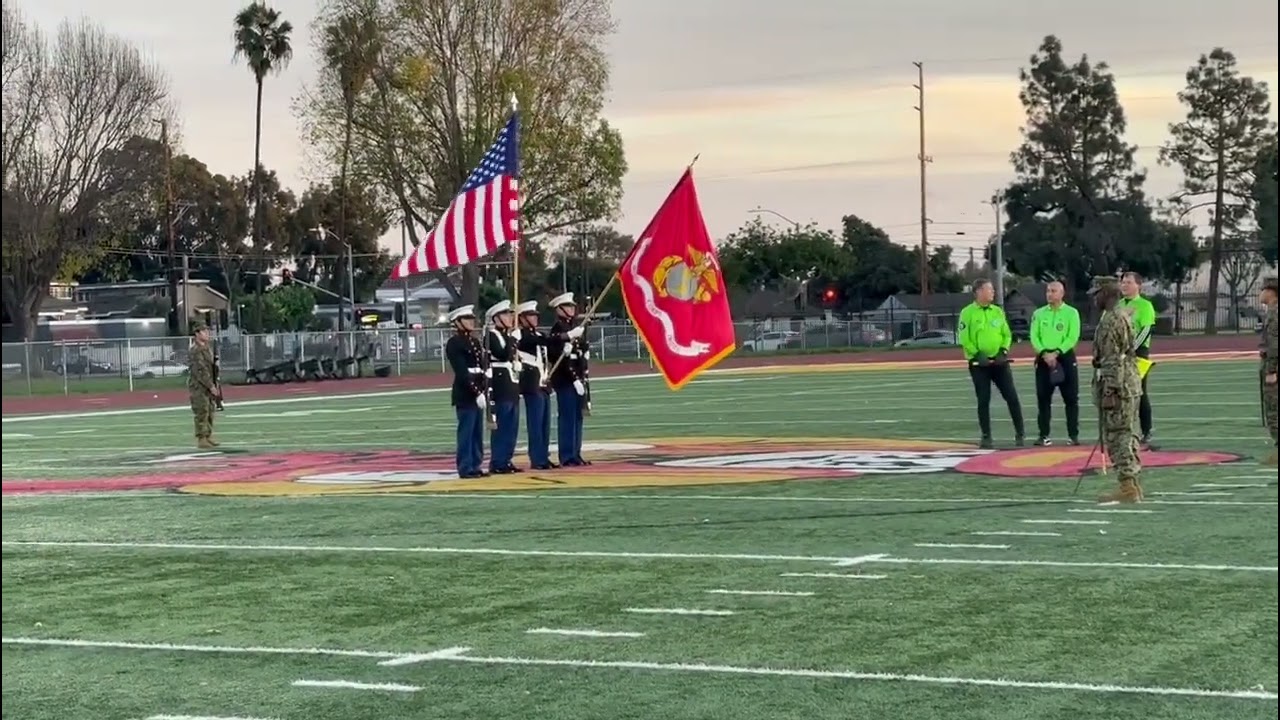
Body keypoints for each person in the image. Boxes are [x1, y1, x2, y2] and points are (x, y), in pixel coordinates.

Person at [1090, 276, 1143, 503]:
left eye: (1096, 293)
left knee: (1117, 435)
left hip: (1119, 385)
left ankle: (1127, 485)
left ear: (1106, 294)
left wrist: (1109, 390)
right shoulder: (1122, 315)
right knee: (1128, 433)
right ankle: (1132, 483)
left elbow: (1111, 358)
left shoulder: (1111, 320)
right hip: (1130, 381)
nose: (1093, 298)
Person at [958, 279, 1025, 448]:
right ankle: (986, 436)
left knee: (1011, 396)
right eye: (990, 289)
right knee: (983, 399)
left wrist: (1003, 351)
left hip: (1000, 362)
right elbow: (965, 338)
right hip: (979, 365)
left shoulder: (998, 311)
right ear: (979, 291)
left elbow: (1006, 334)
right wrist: (977, 354)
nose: (993, 292)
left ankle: (1020, 433)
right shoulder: (967, 313)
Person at [1029, 280, 1082, 446]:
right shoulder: (1038, 314)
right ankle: (1043, 435)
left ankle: (1073, 436)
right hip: (1043, 359)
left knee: (1071, 398)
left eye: (1053, 291)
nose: (1049, 294)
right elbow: (1034, 336)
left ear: (1062, 293)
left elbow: (1072, 336)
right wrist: (1044, 353)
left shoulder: (1071, 313)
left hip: (1065, 358)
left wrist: (1057, 352)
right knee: (1043, 399)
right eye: (1048, 291)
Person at [546, 292, 590, 466]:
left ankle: (575, 453)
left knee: (577, 417)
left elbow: (578, 353)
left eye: (572, 306)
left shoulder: (573, 327)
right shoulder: (559, 329)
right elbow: (559, 357)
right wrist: (573, 379)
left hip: (577, 378)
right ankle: (567, 455)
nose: (572, 309)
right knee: (567, 418)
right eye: (568, 306)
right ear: (560, 309)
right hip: (565, 380)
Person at [444, 305, 487, 478]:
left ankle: (476, 464)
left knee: (477, 432)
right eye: (467, 319)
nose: (471, 321)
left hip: (478, 391)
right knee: (466, 432)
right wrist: (477, 392)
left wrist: (484, 386)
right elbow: (462, 371)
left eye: (471, 318)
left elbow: (479, 366)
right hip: (466, 392)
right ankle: (465, 466)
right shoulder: (454, 343)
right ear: (458, 322)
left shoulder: (474, 342)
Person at [515, 300, 556, 470]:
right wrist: (565, 336)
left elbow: (546, 345)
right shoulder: (521, 336)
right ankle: (537, 458)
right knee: (535, 425)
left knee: (545, 424)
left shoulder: (537, 336)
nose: (535, 318)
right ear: (522, 319)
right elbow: (533, 342)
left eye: (535, 315)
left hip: (543, 383)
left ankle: (543, 456)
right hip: (531, 385)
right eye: (531, 315)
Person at [1118, 272, 1157, 447]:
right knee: (1120, 392)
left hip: (1138, 352)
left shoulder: (1145, 305)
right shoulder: (1117, 305)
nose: (1124, 285)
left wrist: (1130, 349)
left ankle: (1146, 430)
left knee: (1139, 391)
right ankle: (1124, 430)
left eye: (1128, 282)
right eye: (1123, 282)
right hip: (1119, 352)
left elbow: (1146, 330)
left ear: (1138, 285)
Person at [484, 300, 522, 474]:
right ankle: (498, 461)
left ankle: (507, 459)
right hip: (501, 385)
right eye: (506, 315)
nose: (510, 318)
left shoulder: (507, 335)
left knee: (512, 427)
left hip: (511, 384)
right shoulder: (491, 336)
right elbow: (502, 354)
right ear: (497, 318)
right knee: (502, 426)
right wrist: (512, 339)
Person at [187, 321, 220, 449]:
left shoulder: (207, 348)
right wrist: (210, 385)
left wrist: (214, 383)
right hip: (199, 386)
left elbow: (211, 368)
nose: (207, 334)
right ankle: (201, 438)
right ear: (197, 333)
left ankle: (208, 435)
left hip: (209, 383)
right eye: (204, 331)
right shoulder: (195, 350)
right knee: (202, 411)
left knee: (210, 410)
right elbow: (200, 370)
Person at [1259, 279, 1278, 466]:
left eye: (1263, 290)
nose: (1260, 294)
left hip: (1274, 369)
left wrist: (1271, 370)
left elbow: (1274, 345)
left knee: (1274, 409)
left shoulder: (1274, 314)